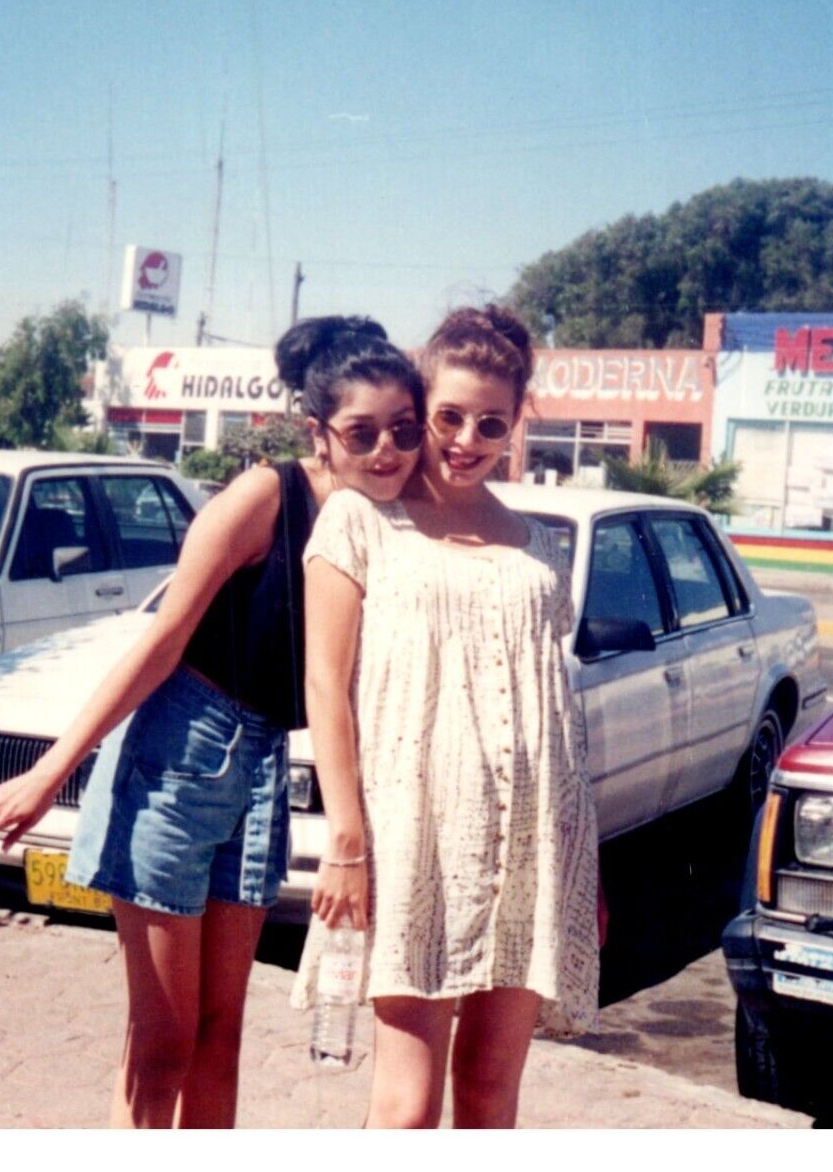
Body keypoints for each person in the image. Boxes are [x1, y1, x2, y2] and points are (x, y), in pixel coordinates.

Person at [0, 316, 424, 1129]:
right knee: (162, 1041)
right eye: (362, 432)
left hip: (264, 767)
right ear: (319, 431)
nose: (387, 450)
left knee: (219, 1035)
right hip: (178, 761)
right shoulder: (265, 497)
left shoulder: (387, 522)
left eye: (404, 431)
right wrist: (49, 770)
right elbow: (163, 636)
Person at [293, 303, 604, 1130]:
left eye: (491, 423)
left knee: (492, 1098)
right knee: (406, 1106)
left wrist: (583, 863)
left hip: (534, 840)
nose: (467, 439)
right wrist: (347, 843)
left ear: (516, 425)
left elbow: (556, 708)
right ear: (420, 405)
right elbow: (325, 685)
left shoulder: (537, 541)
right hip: (415, 840)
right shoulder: (361, 519)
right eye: (449, 416)